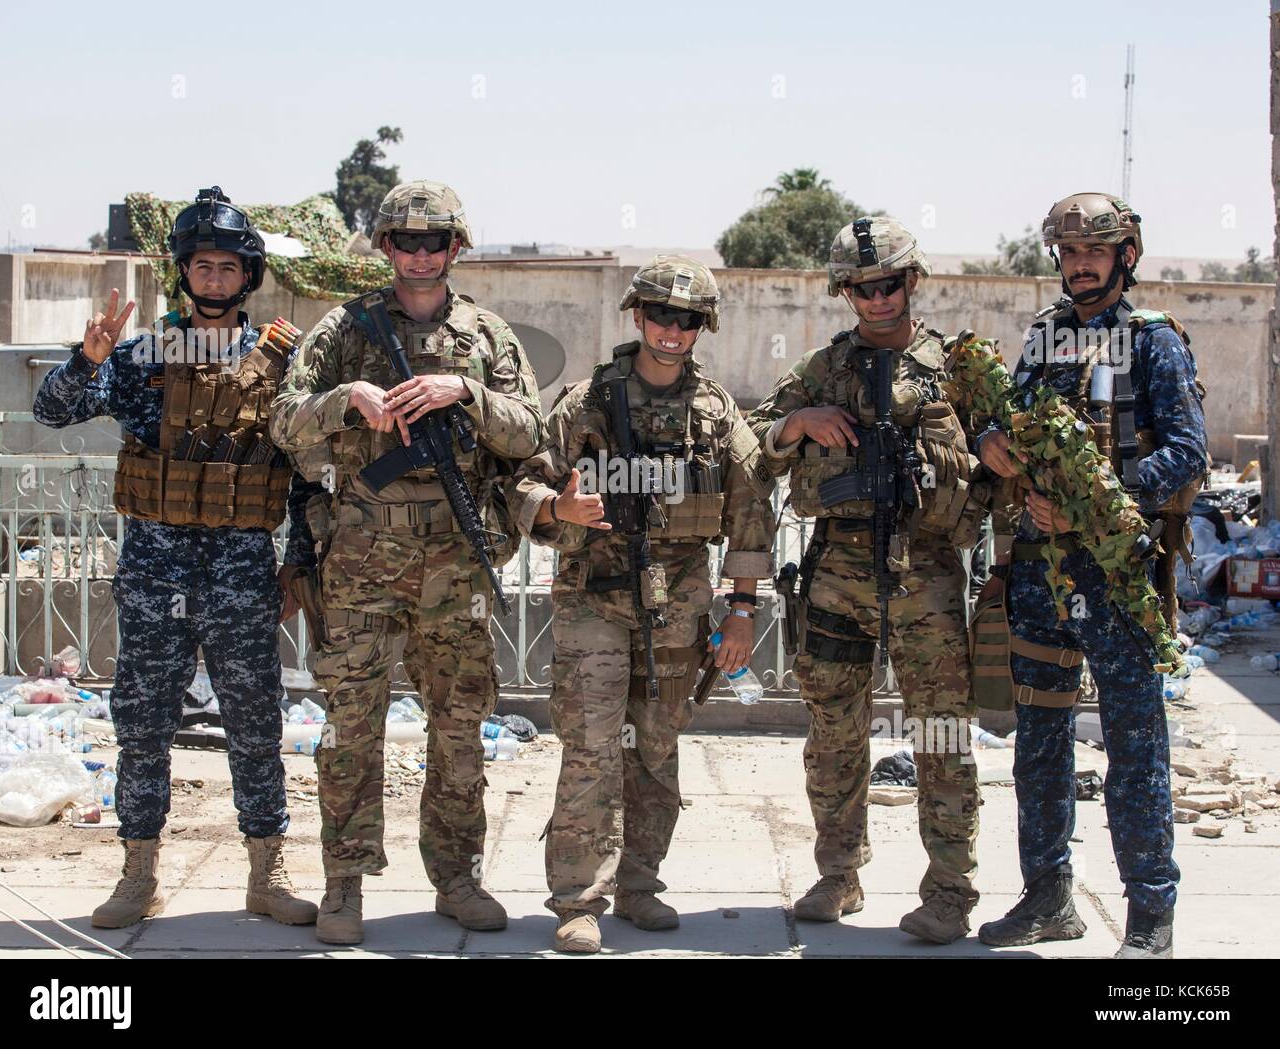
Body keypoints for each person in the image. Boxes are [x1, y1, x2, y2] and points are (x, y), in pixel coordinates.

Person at [33, 187, 317, 929]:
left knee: (257, 724)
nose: (214, 279)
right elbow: (53, 410)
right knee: (143, 726)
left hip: (242, 573)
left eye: (227, 266)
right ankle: (138, 873)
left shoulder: (283, 362)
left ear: (247, 274)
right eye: (201, 266)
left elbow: (307, 475)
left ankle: (267, 870)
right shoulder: (143, 354)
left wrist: (301, 563)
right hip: (156, 570)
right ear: (183, 273)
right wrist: (85, 358)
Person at [269, 180, 543, 945]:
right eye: (404, 241)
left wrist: (468, 393)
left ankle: (456, 876)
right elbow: (283, 424)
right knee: (351, 725)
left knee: (459, 728)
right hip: (361, 560)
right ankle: (345, 882)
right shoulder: (344, 330)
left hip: (455, 564)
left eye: (434, 242)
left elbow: (532, 433)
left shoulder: (488, 336)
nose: (419, 255)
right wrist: (345, 398)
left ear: (456, 248)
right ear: (384, 247)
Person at [508, 255, 776, 953]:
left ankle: (640, 883)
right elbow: (522, 488)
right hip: (594, 599)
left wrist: (742, 610)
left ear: (701, 327)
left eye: (685, 319)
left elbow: (751, 513)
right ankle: (577, 898)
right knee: (592, 748)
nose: (670, 330)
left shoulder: (715, 413)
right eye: (659, 315)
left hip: (677, 608)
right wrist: (558, 507)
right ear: (637, 316)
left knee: (655, 748)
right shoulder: (586, 404)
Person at [975, 193, 1207, 959]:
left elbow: (1187, 451)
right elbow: (1007, 413)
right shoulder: (1045, 338)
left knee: (1134, 739)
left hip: (1119, 574)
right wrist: (990, 441)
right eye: (1070, 252)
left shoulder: (1153, 342)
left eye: (1095, 252)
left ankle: (1151, 914)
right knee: (1039, 737)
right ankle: (1048, 896)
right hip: (1040, 574)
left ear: (1125, 256)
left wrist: (1095, 505)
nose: (1081, 264)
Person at [746, 217, 987, 944]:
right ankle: (839, 871)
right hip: (839, 570)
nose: (875, 298)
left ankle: (949, 889)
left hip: (928, 572)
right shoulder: (824, 368)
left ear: (913, 281)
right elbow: (753, 441)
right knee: (832, 731)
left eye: (887, 283)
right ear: (844, 290)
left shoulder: (959, 367)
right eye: (860, 286)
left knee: (941, 731)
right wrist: (799, 423)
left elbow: (1005, 459)